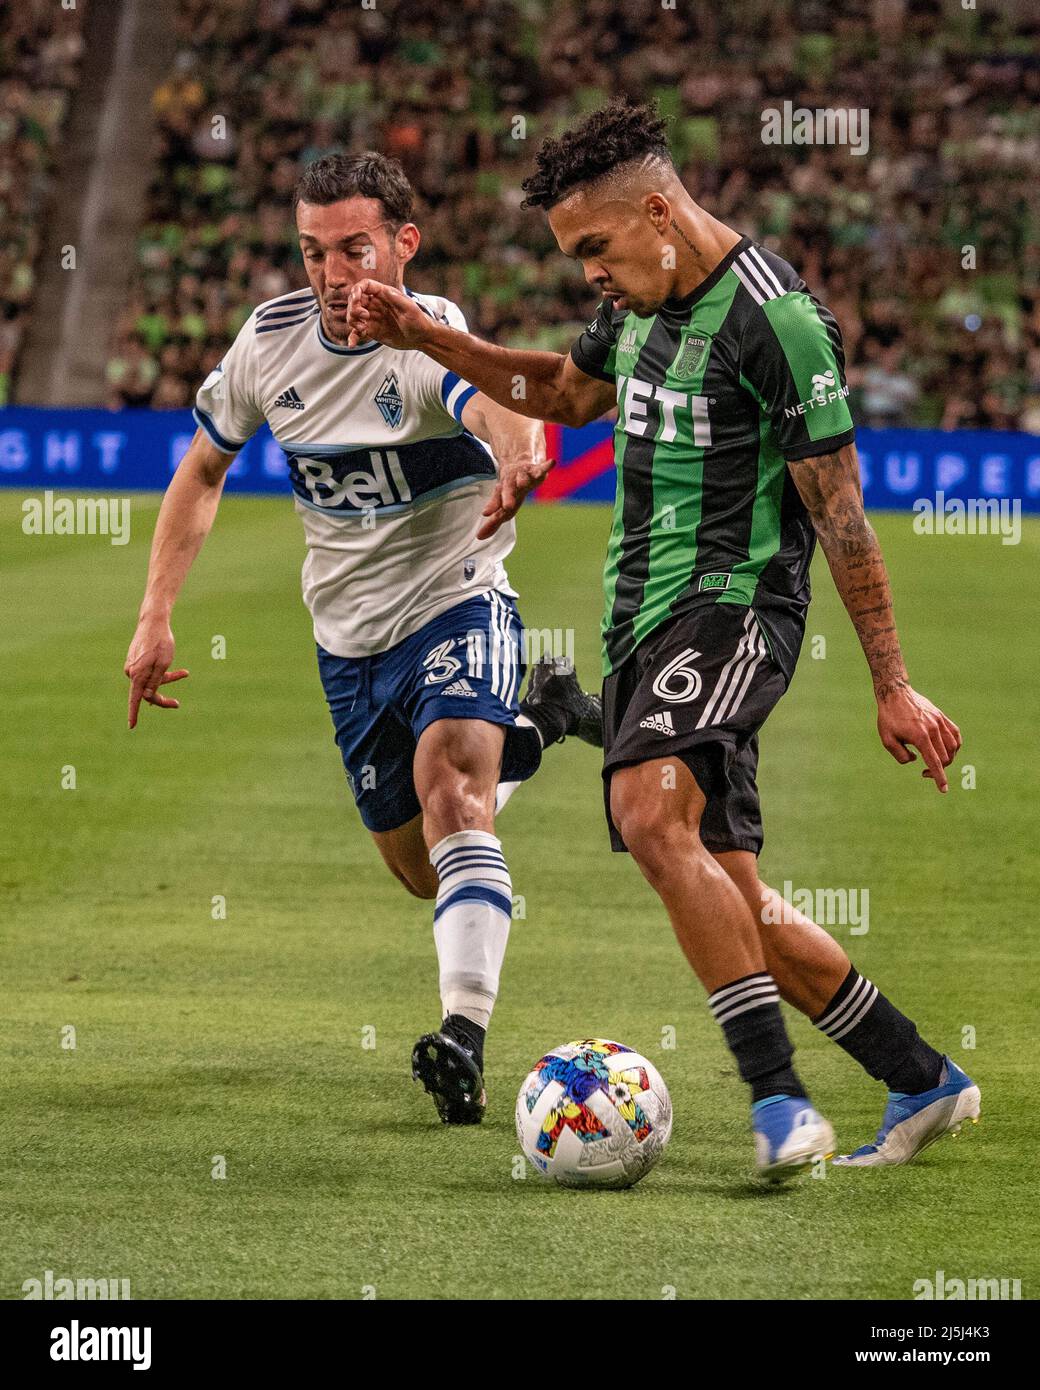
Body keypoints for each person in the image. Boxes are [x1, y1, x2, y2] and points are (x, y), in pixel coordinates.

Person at [343, 101, 980, 1179]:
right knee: (734, 900)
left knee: (645, 808)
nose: (585, 271)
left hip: (735, 607)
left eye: (593, 246)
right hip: (642, 620)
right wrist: (425, 334)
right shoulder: (633, 309)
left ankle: (777, 1101)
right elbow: (558, 393)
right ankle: (920, 1077)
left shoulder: (773, 320)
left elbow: (839, 512)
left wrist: (892, 685)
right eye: (570, 254)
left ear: (656, 209)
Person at [124, 152, 600, 1128]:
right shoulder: (269, 346)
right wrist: (153, 614)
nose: (335, 276)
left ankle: (461, 1039)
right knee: (422, 865)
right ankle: (545, 720)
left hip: (455, 598)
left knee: (452, 794)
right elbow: (204, 473)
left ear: (400, 244)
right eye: (313, 253)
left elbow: (497, 404)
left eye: (353, 249)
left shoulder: (428, 337)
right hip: (347, 643)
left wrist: (518, 457)